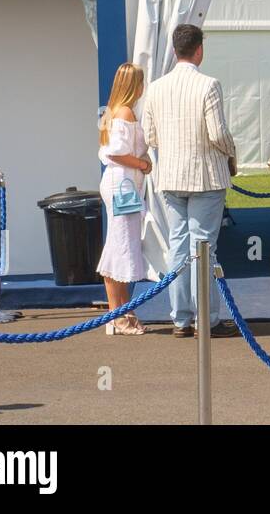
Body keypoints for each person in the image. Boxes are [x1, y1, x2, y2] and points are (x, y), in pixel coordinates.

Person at [143, 24, 239, 338]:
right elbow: (218, 133)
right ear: (199, 50)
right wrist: (232, 153)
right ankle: (205, 319)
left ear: (174, 50)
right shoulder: (208, 84)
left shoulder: (156, 87)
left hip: (170, 175)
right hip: (205, 175)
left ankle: (181, 318)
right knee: (204, 247)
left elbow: (150, 136)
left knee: (178, 247)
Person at [96, 63, 152, 335]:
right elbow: (117, 153)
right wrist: (143, 164)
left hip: (119, 184)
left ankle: (117, 312)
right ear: (134, 86)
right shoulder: (125, 112)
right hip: (124, 185)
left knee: (116, 246)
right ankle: (120, 315)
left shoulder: (111, 111)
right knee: (122, 247)